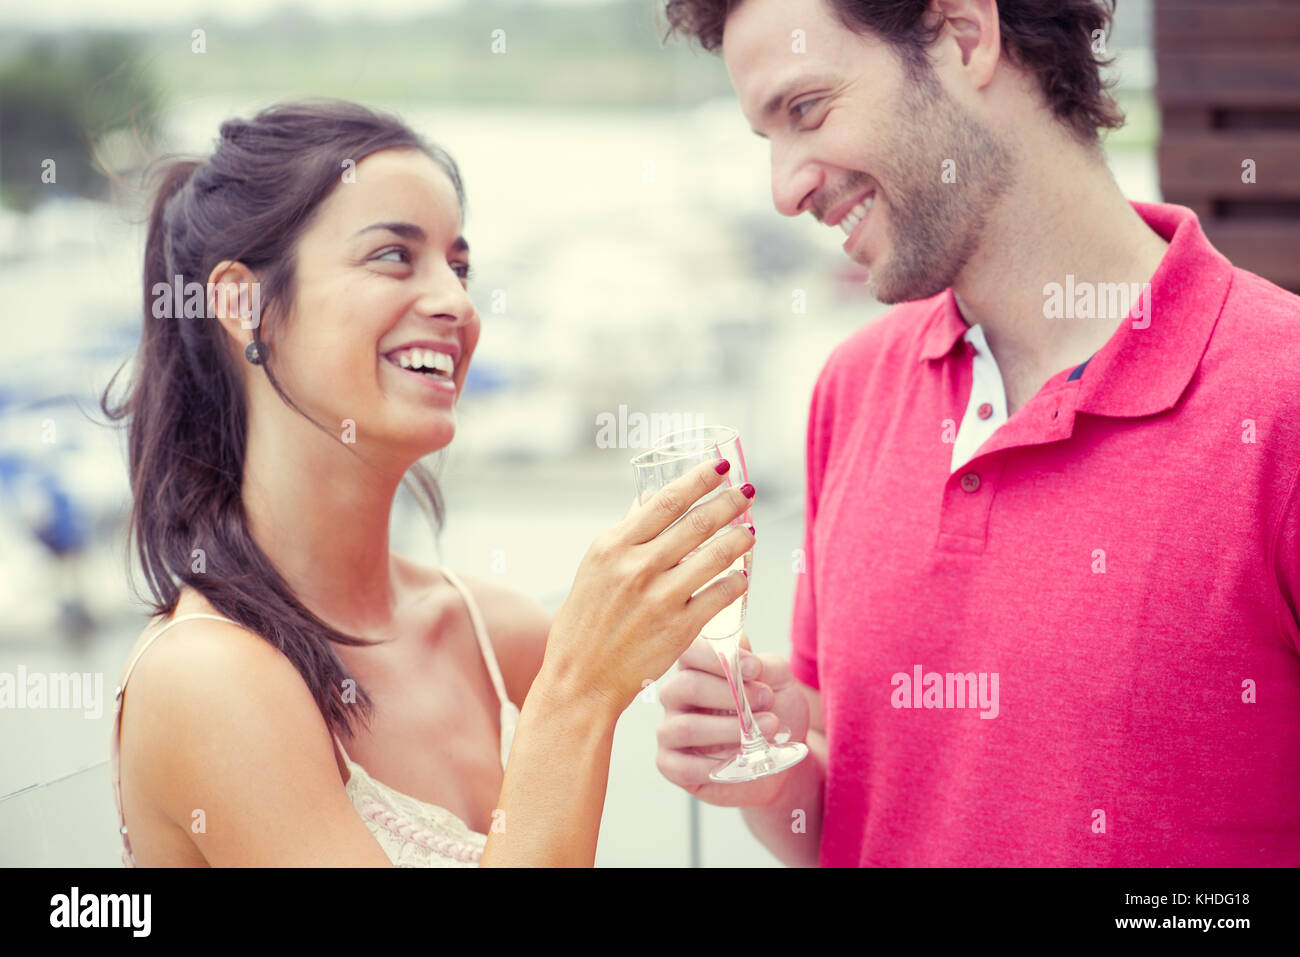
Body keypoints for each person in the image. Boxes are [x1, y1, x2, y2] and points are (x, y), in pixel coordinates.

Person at [655, 0, 1300, 865]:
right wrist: (772, 784)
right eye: (765, 137)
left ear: (964, 35)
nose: (784, 188)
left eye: (805, 111)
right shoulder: (851, 391)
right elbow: (856, 819)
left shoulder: (1280, 400)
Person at [103, 99, 756, 867]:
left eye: (459, 265)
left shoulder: (501, 637)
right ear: (244, 303)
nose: (455, 304)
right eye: (392, 256)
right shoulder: (207, 675)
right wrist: (579, 691)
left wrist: (739, 714)